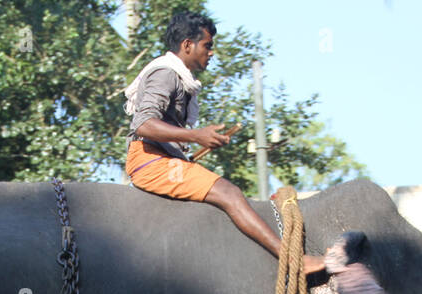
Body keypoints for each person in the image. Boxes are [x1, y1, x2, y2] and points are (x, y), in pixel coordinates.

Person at [123, 10, 327, 274]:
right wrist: (196, 135)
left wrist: (197, 143)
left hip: (160, 159)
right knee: (229, 193)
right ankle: (294, 262)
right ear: (187, 45)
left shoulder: (179, 77)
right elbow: (143, 124)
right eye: (207, 46)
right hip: (149, 162)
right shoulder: (165, 74)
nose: (212, 52)